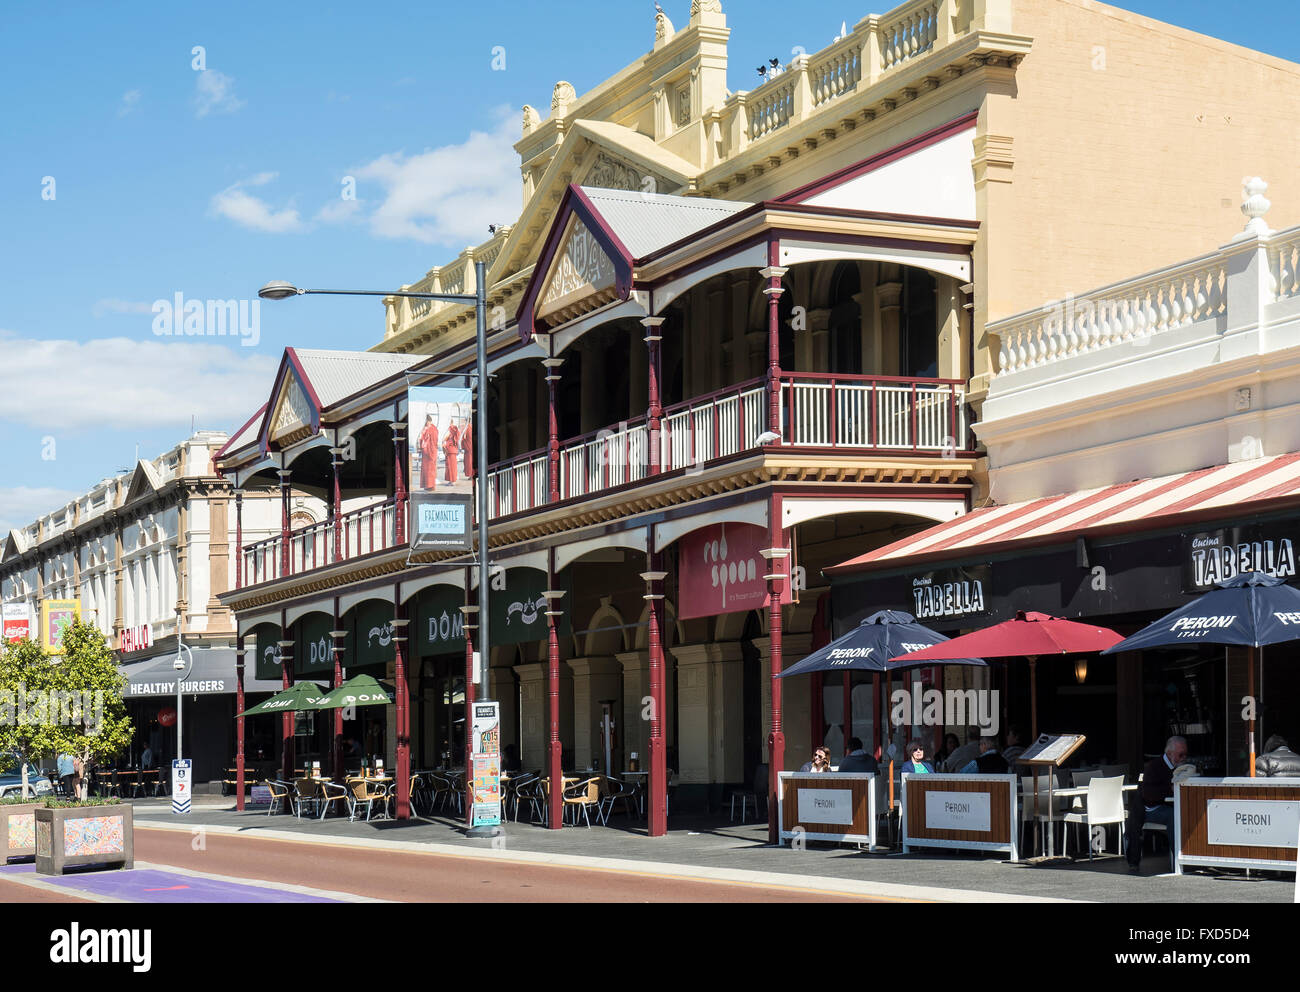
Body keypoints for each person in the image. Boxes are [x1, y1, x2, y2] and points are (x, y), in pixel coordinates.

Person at [1125, 735, 1188, 873]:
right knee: (1173, 816)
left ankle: (1192, 854)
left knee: (1188, 812)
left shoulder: (1183, 767)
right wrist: (1169, 789)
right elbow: (1149, 794)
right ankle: (1179, 857)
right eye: (1180, 754)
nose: (1184, 758)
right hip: (1150, 808)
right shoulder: (1154, 767)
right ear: (1170, 753)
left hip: (1168, 804)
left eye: (1185, 754)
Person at [418, 414, 439, 490]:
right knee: (425, 470)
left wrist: (431, 452)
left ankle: (430, 486)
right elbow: (421, 438)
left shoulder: (433, 429)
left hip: (430, 451)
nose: (426, 423)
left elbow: (434, 442)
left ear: (429, 421)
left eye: (427, 421)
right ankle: (426, 485)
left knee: (430, 470)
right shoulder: (425, 428)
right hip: (425, 451)